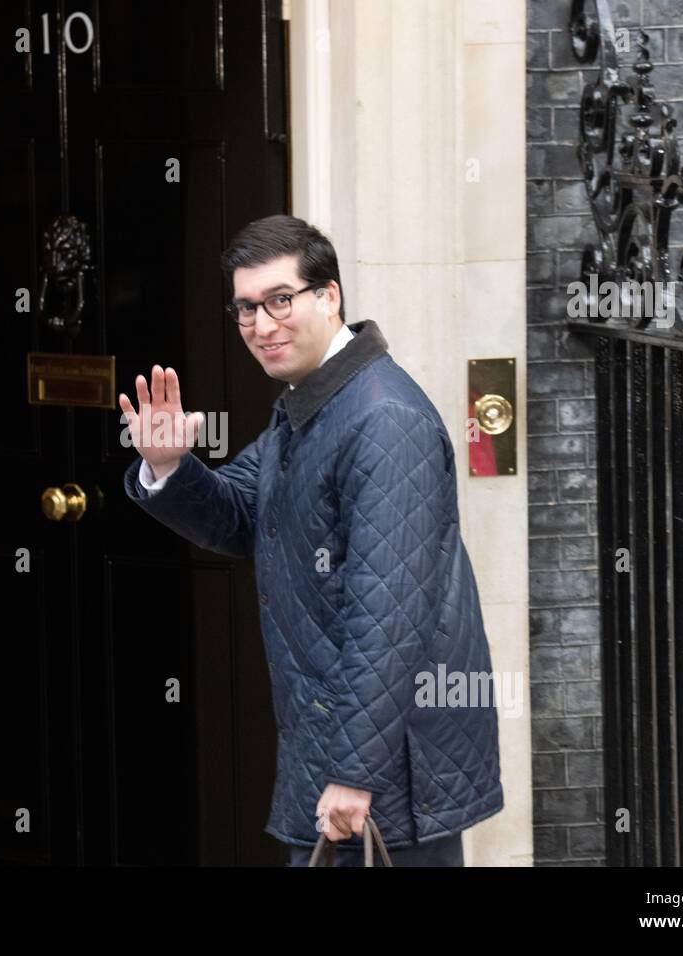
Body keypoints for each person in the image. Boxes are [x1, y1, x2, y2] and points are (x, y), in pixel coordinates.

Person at [117, 215, 504, 867]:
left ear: (330, 296)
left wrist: (355, 775)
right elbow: (241, 513)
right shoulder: (315, 403)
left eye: (279, 300)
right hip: (343, 760)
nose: (261, 326)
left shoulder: (381, 419)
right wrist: (168, 467)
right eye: (245, 308)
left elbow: (389, 618)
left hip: (389, 779)